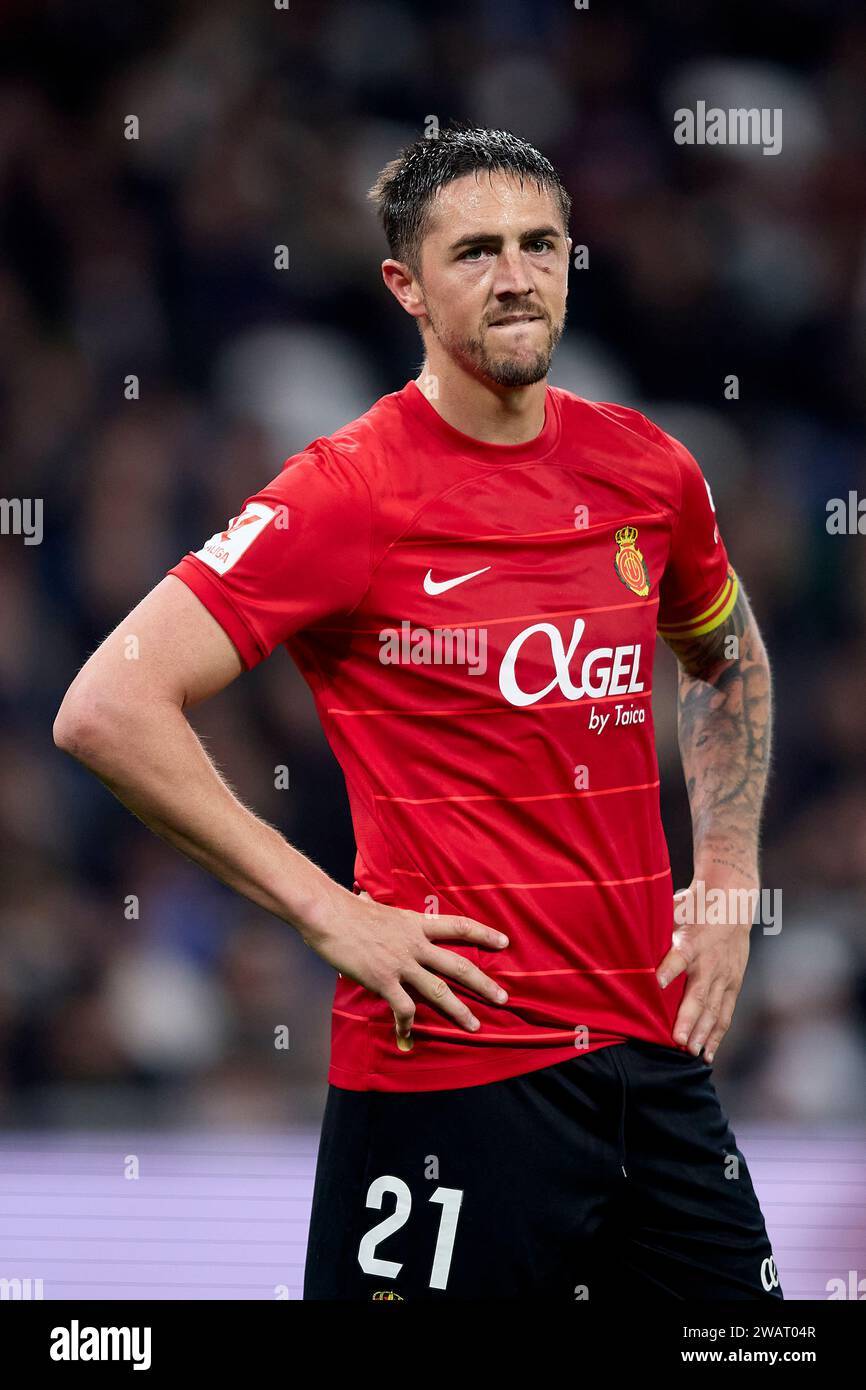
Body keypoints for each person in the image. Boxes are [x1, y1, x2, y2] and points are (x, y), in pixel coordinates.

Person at [54, 125, 781, 1301]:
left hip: (652, 1060)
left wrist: (730, 873)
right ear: (404, 283)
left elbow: (723, 654)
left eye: (540, 244)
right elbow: (107, 704)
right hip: (450, 1071)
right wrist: (326, 911)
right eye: (476, 251)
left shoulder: (647, 470)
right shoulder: (348, 491)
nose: (514, 276)